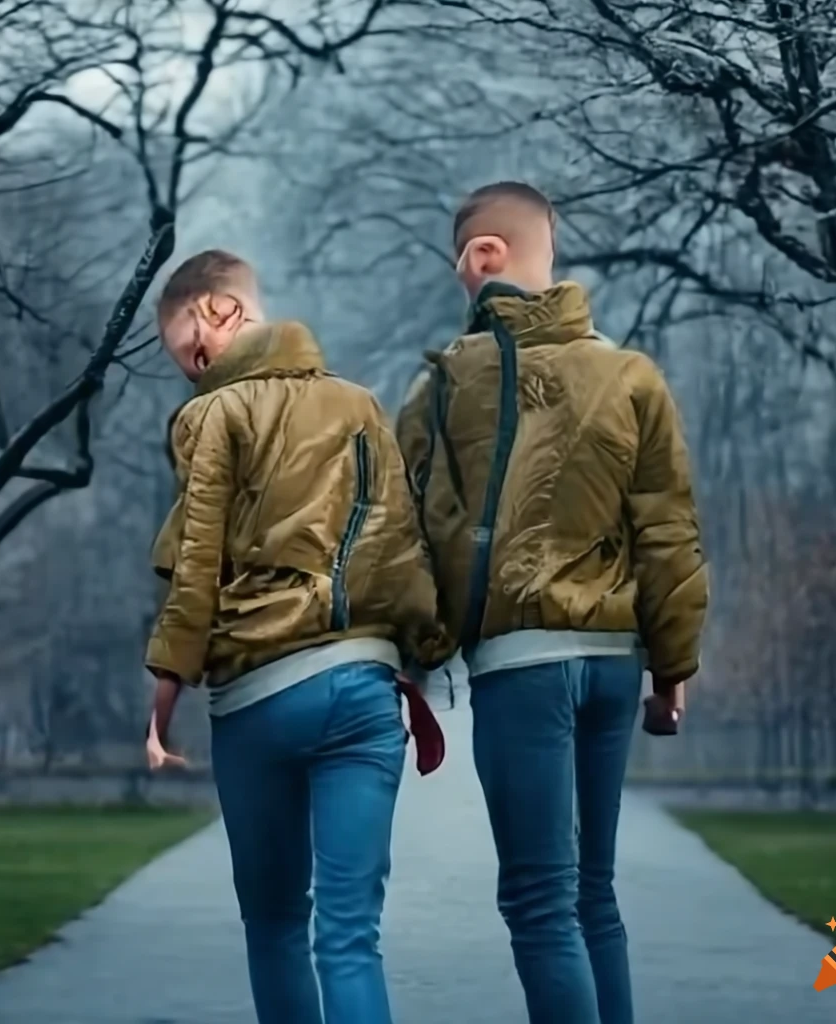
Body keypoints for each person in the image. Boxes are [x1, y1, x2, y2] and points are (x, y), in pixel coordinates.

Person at [395, 183, 709, 1024]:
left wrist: (415, 654)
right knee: (592, 897)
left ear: (486, 255)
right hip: (612, 668)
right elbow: (668, 533)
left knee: (539, 904)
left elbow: (411, 534)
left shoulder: (446, 386)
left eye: (462, 261)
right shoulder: (630, 376)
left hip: (523, 669)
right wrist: (672, 669)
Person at [143, 249, 447, 1024]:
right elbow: (400, 543)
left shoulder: (211, 417)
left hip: (260, 699)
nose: (193, 369)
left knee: (276, 926)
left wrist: (165, 693)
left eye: (190, 348)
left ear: (217, 310)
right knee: (350, 937)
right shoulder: (360, 406)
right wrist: (426, 643)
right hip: (362, 691)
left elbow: (197, 565)